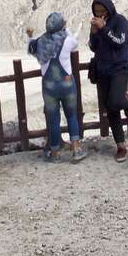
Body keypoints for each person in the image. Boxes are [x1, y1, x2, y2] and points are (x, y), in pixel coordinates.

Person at [26, 12, 87, 163]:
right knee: (71, 115)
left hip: (49, 87)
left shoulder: (40, 42)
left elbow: (30, 48)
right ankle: (76, 148)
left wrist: (29, 36)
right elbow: (75, 42)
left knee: (53, 119)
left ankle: (55, 153)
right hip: (67, 83)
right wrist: (65, 28)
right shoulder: (66, 40)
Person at [88, 0, 128, 161]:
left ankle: (127, 101)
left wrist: (103, 29)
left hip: (118, 68)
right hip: (102, 70)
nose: (99, 13)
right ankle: (121, 145)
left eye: (102, 9)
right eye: (96, 10)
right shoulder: (97, 22)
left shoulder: (120, 21)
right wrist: (94, 33)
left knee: (115, 102)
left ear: (109, 7)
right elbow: (93, 47)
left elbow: (119, 41)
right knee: (110, 108)